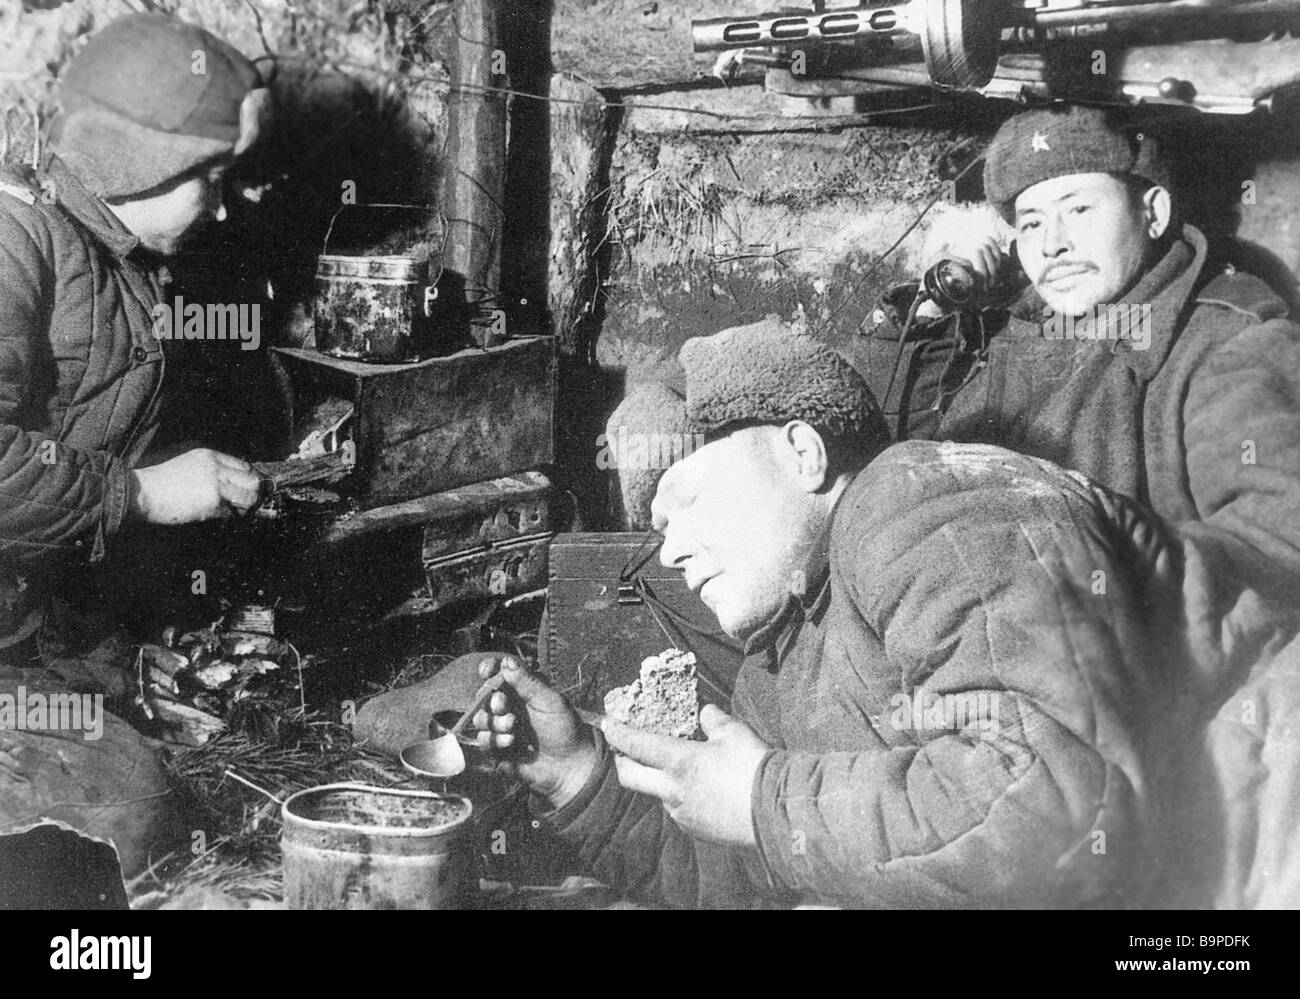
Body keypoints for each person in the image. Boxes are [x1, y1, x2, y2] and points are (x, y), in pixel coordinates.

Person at [475, 323, 1298, 908]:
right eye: (654, 530)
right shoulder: (786, 653)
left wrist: (765, 794)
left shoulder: (923, 499)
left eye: (684, 499)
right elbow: (760, 868)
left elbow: (1051, 801)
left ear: (803, 451)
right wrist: (577, 771)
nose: (673, 550)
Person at [0, 13, 268, 881]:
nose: (226, 205)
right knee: (122, 810)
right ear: (136, 158)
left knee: (128, 780)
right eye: (212, 179)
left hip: (20, 642)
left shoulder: (124, 260)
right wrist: (146, 493)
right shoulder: (15, 242)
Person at [866, 102, 1300, 596]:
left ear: (1152, 213)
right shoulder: (1019, 325)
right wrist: (936, 309)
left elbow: (1273, 565)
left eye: (1078, 209)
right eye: (1031, 223)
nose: (1053, 244)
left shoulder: (1229, 347)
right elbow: (893, 472)